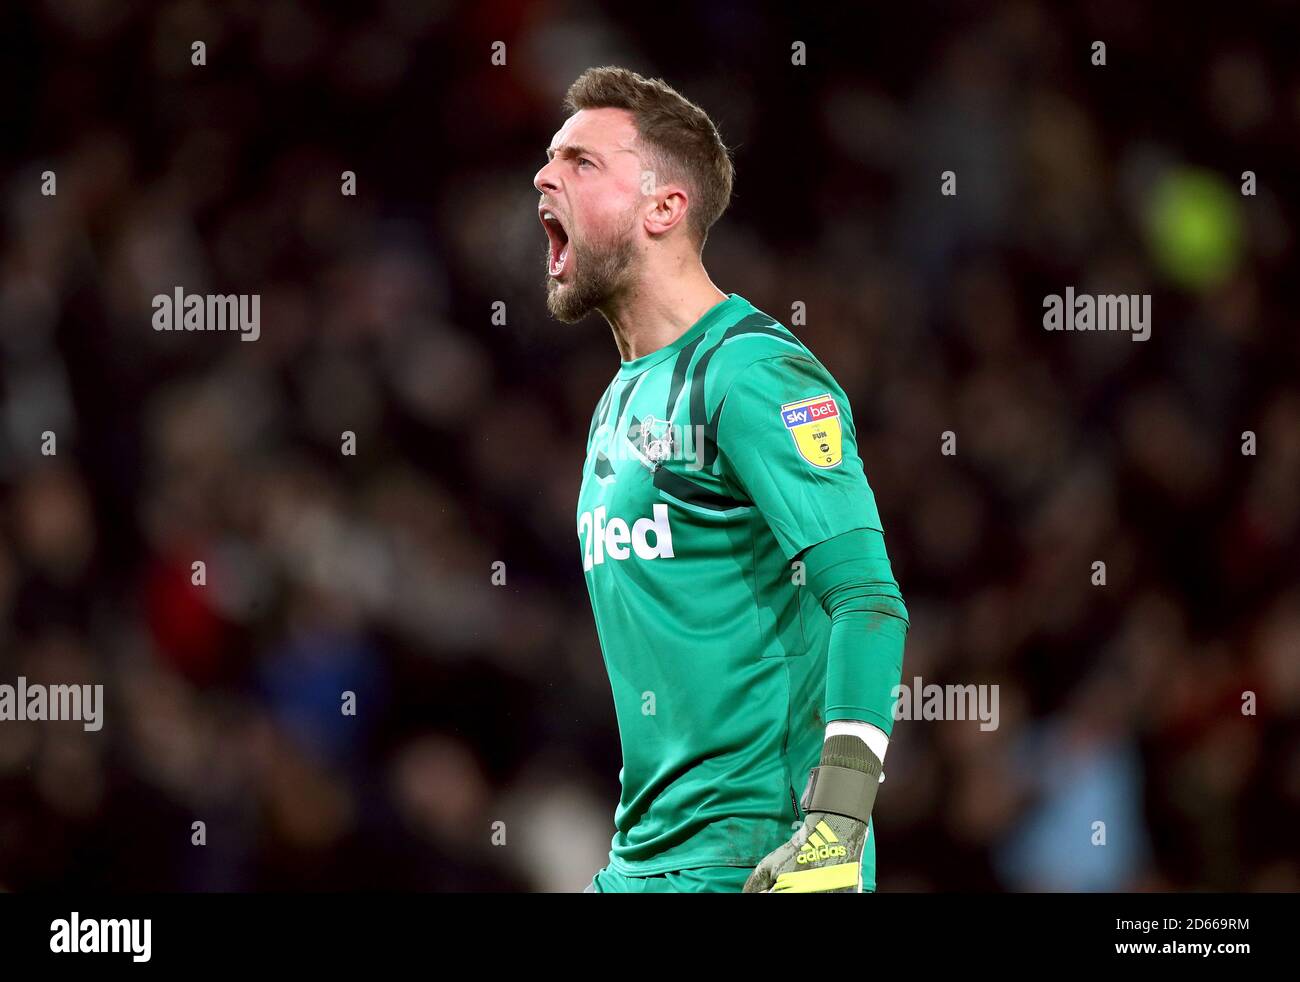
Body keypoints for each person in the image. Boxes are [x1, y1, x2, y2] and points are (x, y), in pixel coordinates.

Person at [534, 66, 908, 893]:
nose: (544, 174)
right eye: (551, 157)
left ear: (663, 208)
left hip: (757, 864)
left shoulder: (755, 374)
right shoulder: (617, 401)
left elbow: (869, 600)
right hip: (645, 862)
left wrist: (838, 826)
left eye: (582, 162)